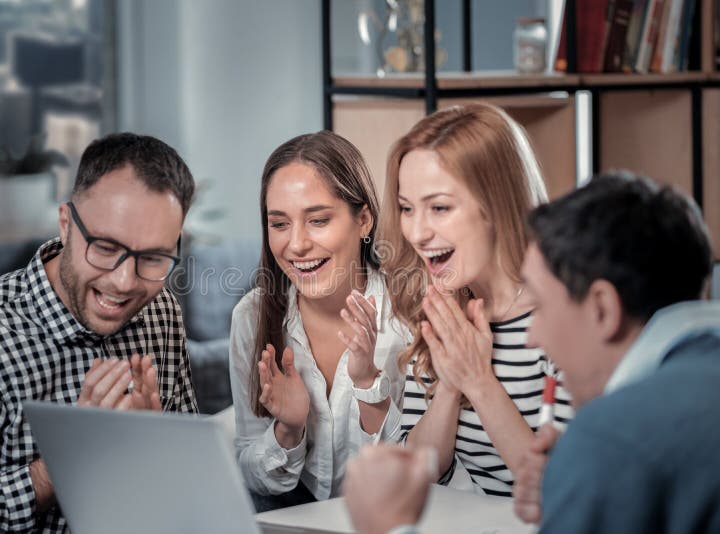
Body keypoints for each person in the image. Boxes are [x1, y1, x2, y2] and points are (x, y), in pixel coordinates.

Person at [344, 172, 718, 534]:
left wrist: (389, 528)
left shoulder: (618, 434)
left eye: (540, 307)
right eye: (408, 207)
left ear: (602, 308)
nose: (534, 335)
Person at [0, 133, 199, 532]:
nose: (123, 282)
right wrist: (69, 459)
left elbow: (187, 477)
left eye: (153, 258)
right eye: (104, 247)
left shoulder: (160, 311)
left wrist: (151, 443)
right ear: (66, 225)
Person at [374, 102, 572, 496]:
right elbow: (418, 472)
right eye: (407, 209)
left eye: (440, 208)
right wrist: (450, 385)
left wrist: (478, 381)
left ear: (497, 204)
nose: (416, 232)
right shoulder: (442, 308)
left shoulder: (567, 317)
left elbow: (563, 487)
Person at [229, 131, 407, 511]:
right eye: (279, 224)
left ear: (363, 220)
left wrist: (368, 387)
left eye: (318, 220)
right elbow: (247, 467)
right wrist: (288, 431)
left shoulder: (406, 315)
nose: (296, 245)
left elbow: (422, 471)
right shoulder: (252, 316)